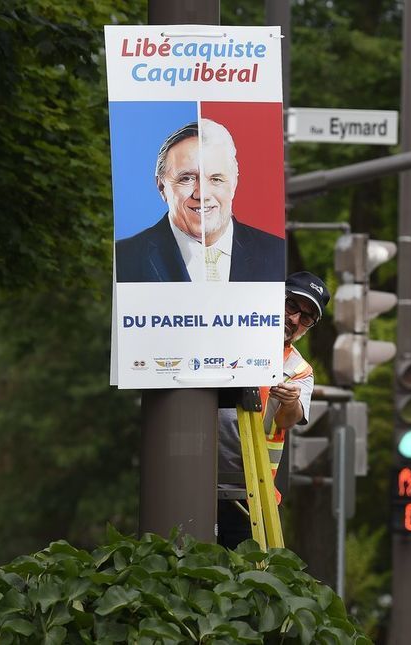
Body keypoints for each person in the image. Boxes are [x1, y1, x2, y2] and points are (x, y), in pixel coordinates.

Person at [216, 271, 330, 549]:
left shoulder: (299, 370)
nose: (294, 320)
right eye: (292, 305)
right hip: (193, 473)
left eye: (305, 318)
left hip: (249, 493)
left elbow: (289, 419)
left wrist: (290, 401)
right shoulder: (227, 332)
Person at [114, 118, 284, 283]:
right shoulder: (124, 259)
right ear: (161, 186)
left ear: (233, 185)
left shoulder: (277, 253)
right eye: (187, 178)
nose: (202, 194)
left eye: (216, 179)